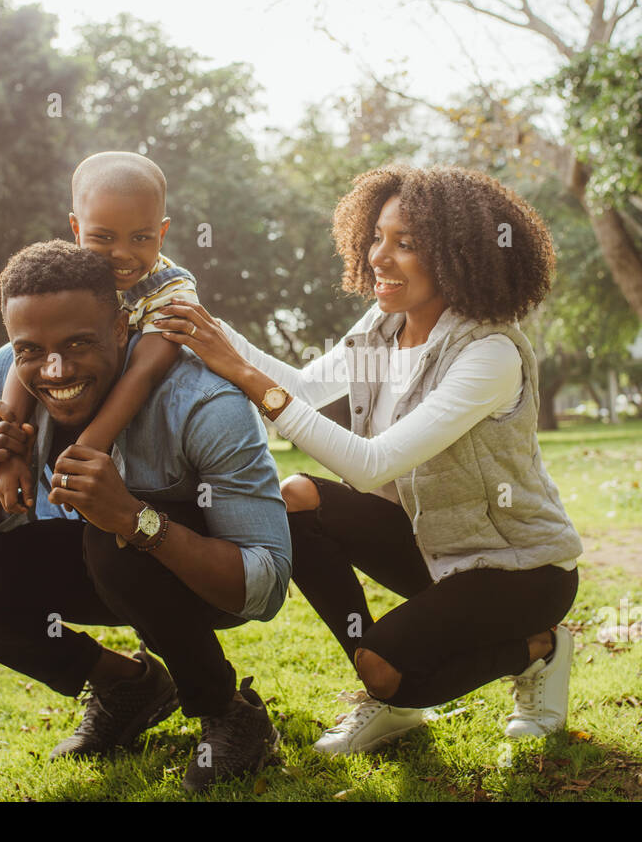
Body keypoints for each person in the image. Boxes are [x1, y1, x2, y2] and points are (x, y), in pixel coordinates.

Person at [155, 164, 583, 755]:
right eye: (377, 236)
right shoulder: (384, 327)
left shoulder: (488, 354)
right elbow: (304, 390)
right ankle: (381, 675)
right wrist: (207, 326)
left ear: (459, 256)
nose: (378, 256)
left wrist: (242, 373)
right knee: (297, 497)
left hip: (520, 572)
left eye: (406, 243)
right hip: (432, 549)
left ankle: (538, 649)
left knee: (387, 669)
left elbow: (371, 465)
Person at [0, 240, 292, 792]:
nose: (55, 369)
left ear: (120, 328)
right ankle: (128, 684)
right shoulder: (5, 377)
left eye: (78, 344)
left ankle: (229, 712)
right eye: (31, 350)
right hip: (102, 568)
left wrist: (136, 520)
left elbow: (267, 584)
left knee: (111, 544)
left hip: (202, 582)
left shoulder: (204, 401)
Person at [0, 151, 198, 515]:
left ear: (162, 233)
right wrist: (9, 453)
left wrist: (87, 449)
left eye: (141, 237)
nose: (122, 254)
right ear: (76, 229)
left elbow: (144, 372)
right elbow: (27, 354)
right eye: (103, 237)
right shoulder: (69, 278)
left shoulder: (172, 291)